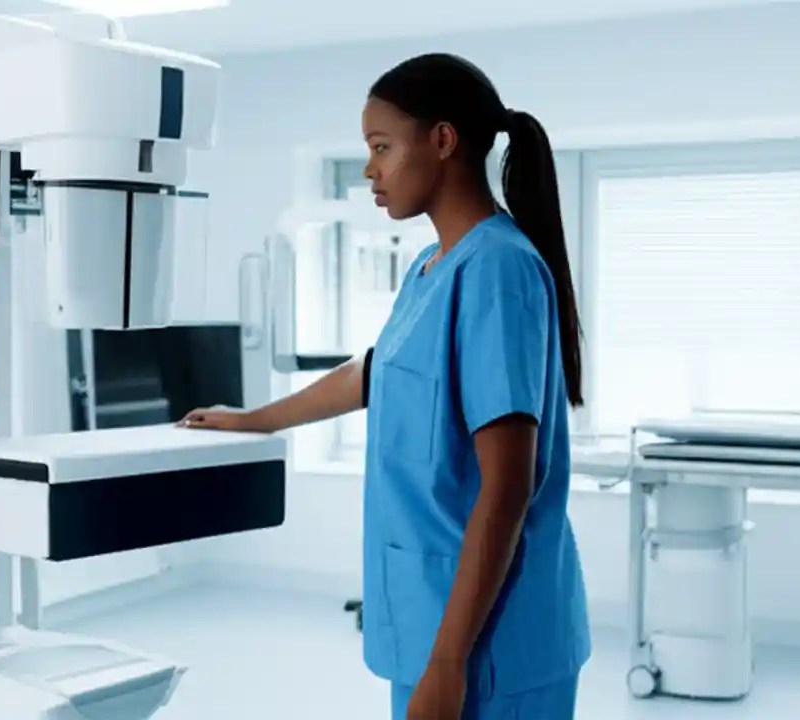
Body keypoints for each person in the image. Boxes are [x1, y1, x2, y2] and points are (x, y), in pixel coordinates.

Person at [181, 53, 591, 720]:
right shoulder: (432, 268)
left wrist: (449, 663)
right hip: (434, 623)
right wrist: (254, 418)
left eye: (381, 147)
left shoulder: (497, 269)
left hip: (492, 646)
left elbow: (508, 483)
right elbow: (375, 372)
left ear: (443, 140)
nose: (370, 169)